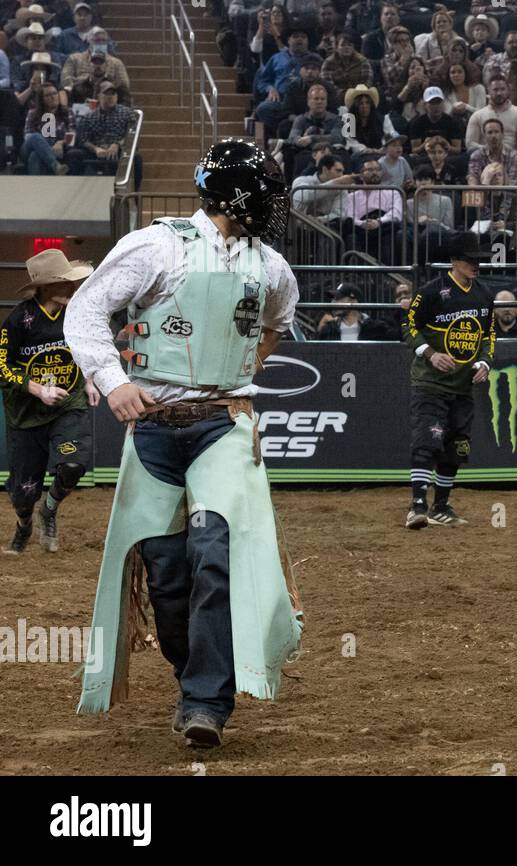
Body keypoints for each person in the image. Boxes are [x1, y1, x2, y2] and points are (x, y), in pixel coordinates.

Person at [66, 140, 301, 748]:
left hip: (223, 425)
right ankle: (191, 676)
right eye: (267, 192)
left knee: (214, 553)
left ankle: (205, 703)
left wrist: (238, 373)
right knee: (167, 574)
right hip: (153, 428)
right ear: (237, 195)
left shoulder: (269, 266)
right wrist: (113, 382)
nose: (276, 205)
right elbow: (87, 310)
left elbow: (276, 322)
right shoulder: (156, 245)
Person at [1, 249, 97, 554]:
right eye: (64, 282)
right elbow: (3, 366)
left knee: (73, 463)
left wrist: (91, 379)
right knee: (23, 494)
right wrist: (37, 389)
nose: (72, 287)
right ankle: (25, 524)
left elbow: (89, 347)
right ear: (44, 286)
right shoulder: (19, 320)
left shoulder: (77, 312)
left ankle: (50, 509)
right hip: (27, 414)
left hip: (69, 404)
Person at [403, 235, 495, 529]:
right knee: (427, 441)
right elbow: (408, 325)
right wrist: (429, 353)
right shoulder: (431, 292)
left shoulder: (484, 295)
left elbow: (487, 336)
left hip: (463, 385)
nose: (476, 265)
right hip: (431, 382)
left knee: (458, 446)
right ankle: (417, 504)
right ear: (455, 261)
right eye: (470, 260)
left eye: (479, 260)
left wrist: (484, 362)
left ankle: (440, 505)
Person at [66, 79, 132, 176]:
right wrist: (95, 149)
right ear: (99, 96)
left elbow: (131, 135)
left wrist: (117, 144)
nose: (110, 97)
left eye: (113, 94)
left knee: (136, 158)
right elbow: (83, 140)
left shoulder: (127, 113)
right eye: (107, 94)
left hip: (118, 150)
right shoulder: (89, 117)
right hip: (96, 151)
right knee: (73, 154)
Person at [465, 75, 517, 153]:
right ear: (488, 91)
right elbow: (470, 143)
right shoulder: (477, 115)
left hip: (512, 157)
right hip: (484, 157)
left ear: (508, 90)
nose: (499, 93)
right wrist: (491, 150)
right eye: (495, 89)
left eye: (502, 89)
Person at [20, 81, 71, 175]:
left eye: (55, 93)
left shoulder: (67, 112)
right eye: (48, 95)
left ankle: (36, 188)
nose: (53, 97)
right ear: (41, 99)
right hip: (28, 149)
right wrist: (46, 147)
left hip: (56, 150)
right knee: (34, 136)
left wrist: (61, 142)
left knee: (35, 156)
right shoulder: (33, 113)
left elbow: (72, 134)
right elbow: (28, 137)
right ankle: (56, 165)